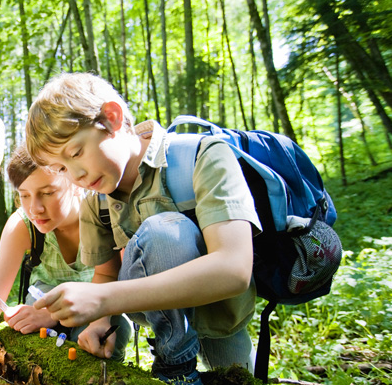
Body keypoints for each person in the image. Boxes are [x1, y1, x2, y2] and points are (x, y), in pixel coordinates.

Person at [25, 72, 261, 384]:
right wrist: (100, 319)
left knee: (165, 231)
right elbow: (106, 274)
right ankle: (174, 369)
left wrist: (104, 300)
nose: (77, 175)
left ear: (111, 119)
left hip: (221, 318)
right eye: (62, 169)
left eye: (76, 153)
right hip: (163, 324)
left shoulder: (203, 156)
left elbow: (234, 268)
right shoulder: (96, 202)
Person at [0, 144, 130, 361]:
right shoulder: (23, 225)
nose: (35, 208)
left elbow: (114, 280)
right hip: (43, 297)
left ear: (76, 183)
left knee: (104, 339)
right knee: (37, 343)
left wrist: (51, 315)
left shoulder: (104, 215)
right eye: (24, 195)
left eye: (48, 193)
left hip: (99, 299)